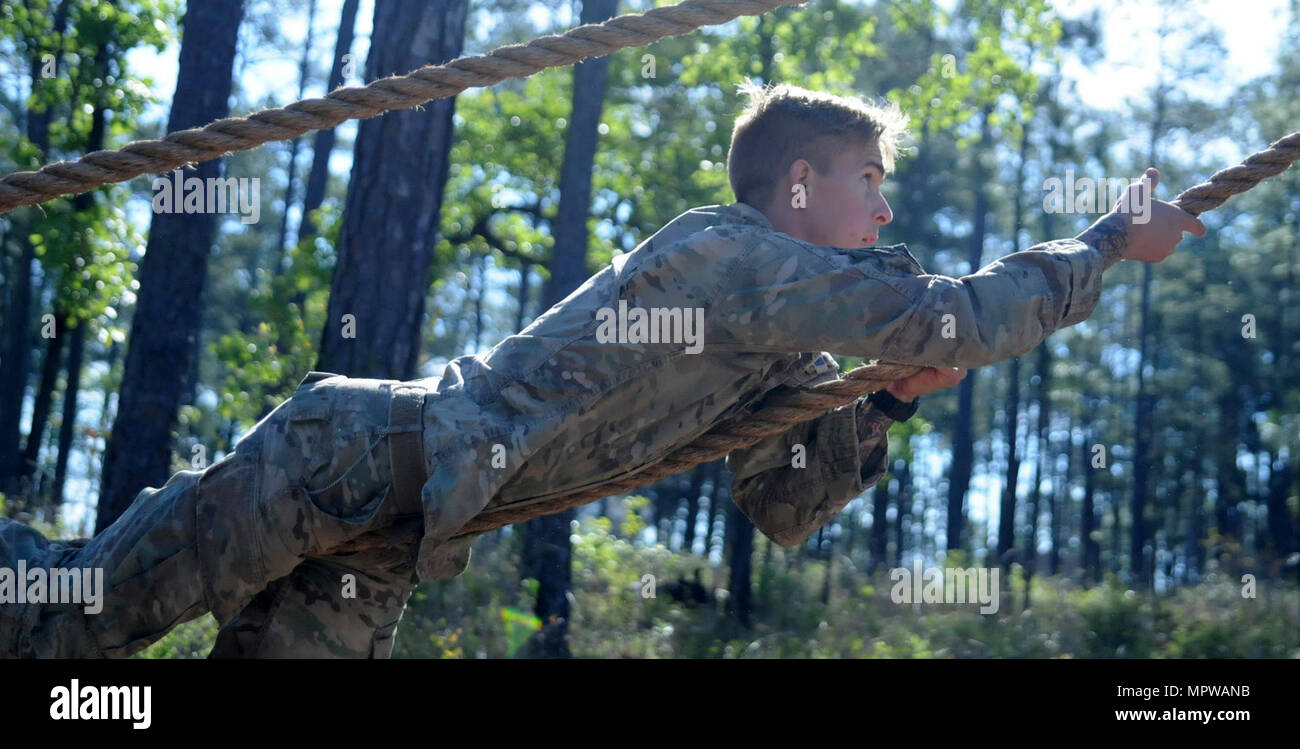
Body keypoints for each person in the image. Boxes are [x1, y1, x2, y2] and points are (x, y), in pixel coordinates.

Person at [0, 80, 1206, 658]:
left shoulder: (783, 337)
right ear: (798, 182)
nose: (884, 201)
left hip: (399, 534)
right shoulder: (730, 253)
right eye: (866, 176)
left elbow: (780, 507)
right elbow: (953, 316)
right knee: (65, 629)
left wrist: (882, 399)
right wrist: (1104, 239)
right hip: (355, 457)